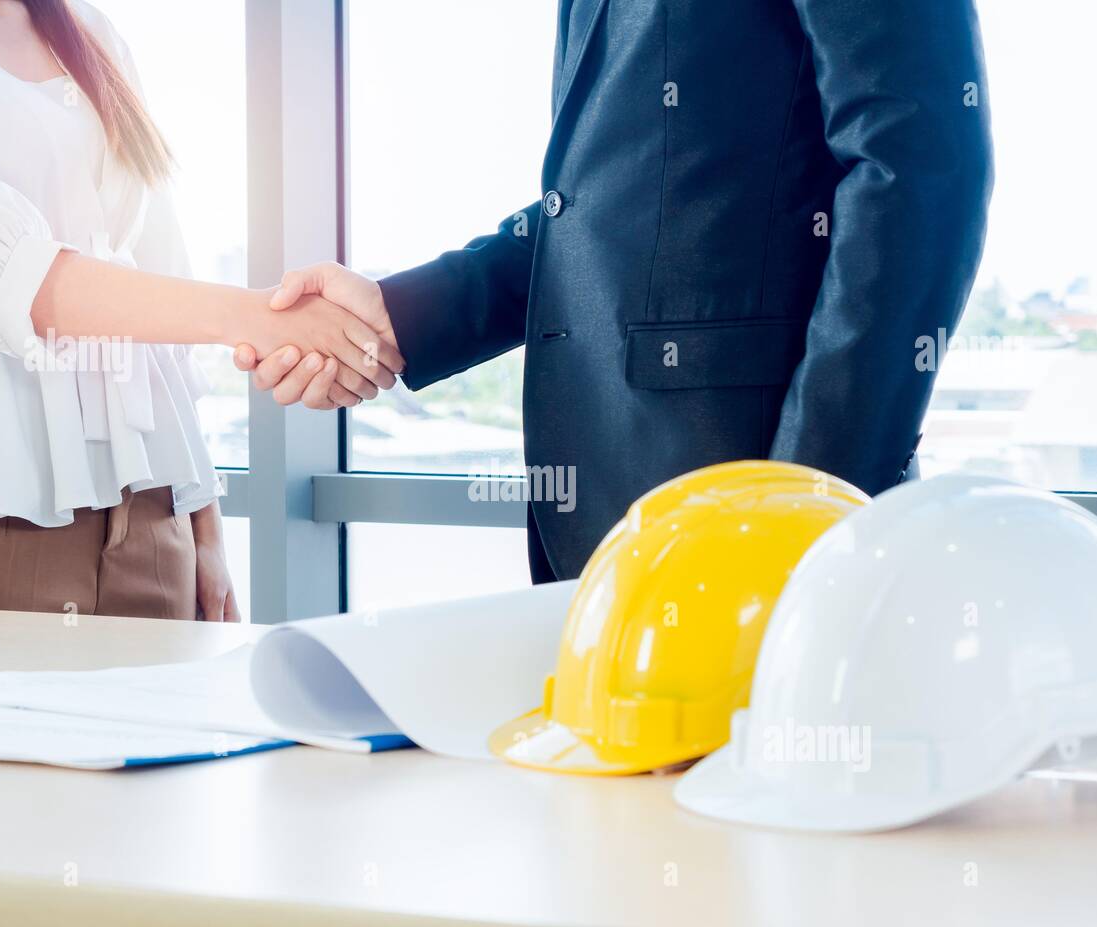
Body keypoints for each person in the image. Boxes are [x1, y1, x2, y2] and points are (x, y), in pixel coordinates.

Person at [0, 0, 398, 927]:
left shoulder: (91, 34)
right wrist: (271, 318)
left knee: (108, 911)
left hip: (142, 511)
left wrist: (199, 521)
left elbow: (162, 280)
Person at [240, 0, 995, 584]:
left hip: (751, 495)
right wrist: (403, 316)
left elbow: (921, 165)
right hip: (616, 524)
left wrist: (802, 502)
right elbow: (613, 210)